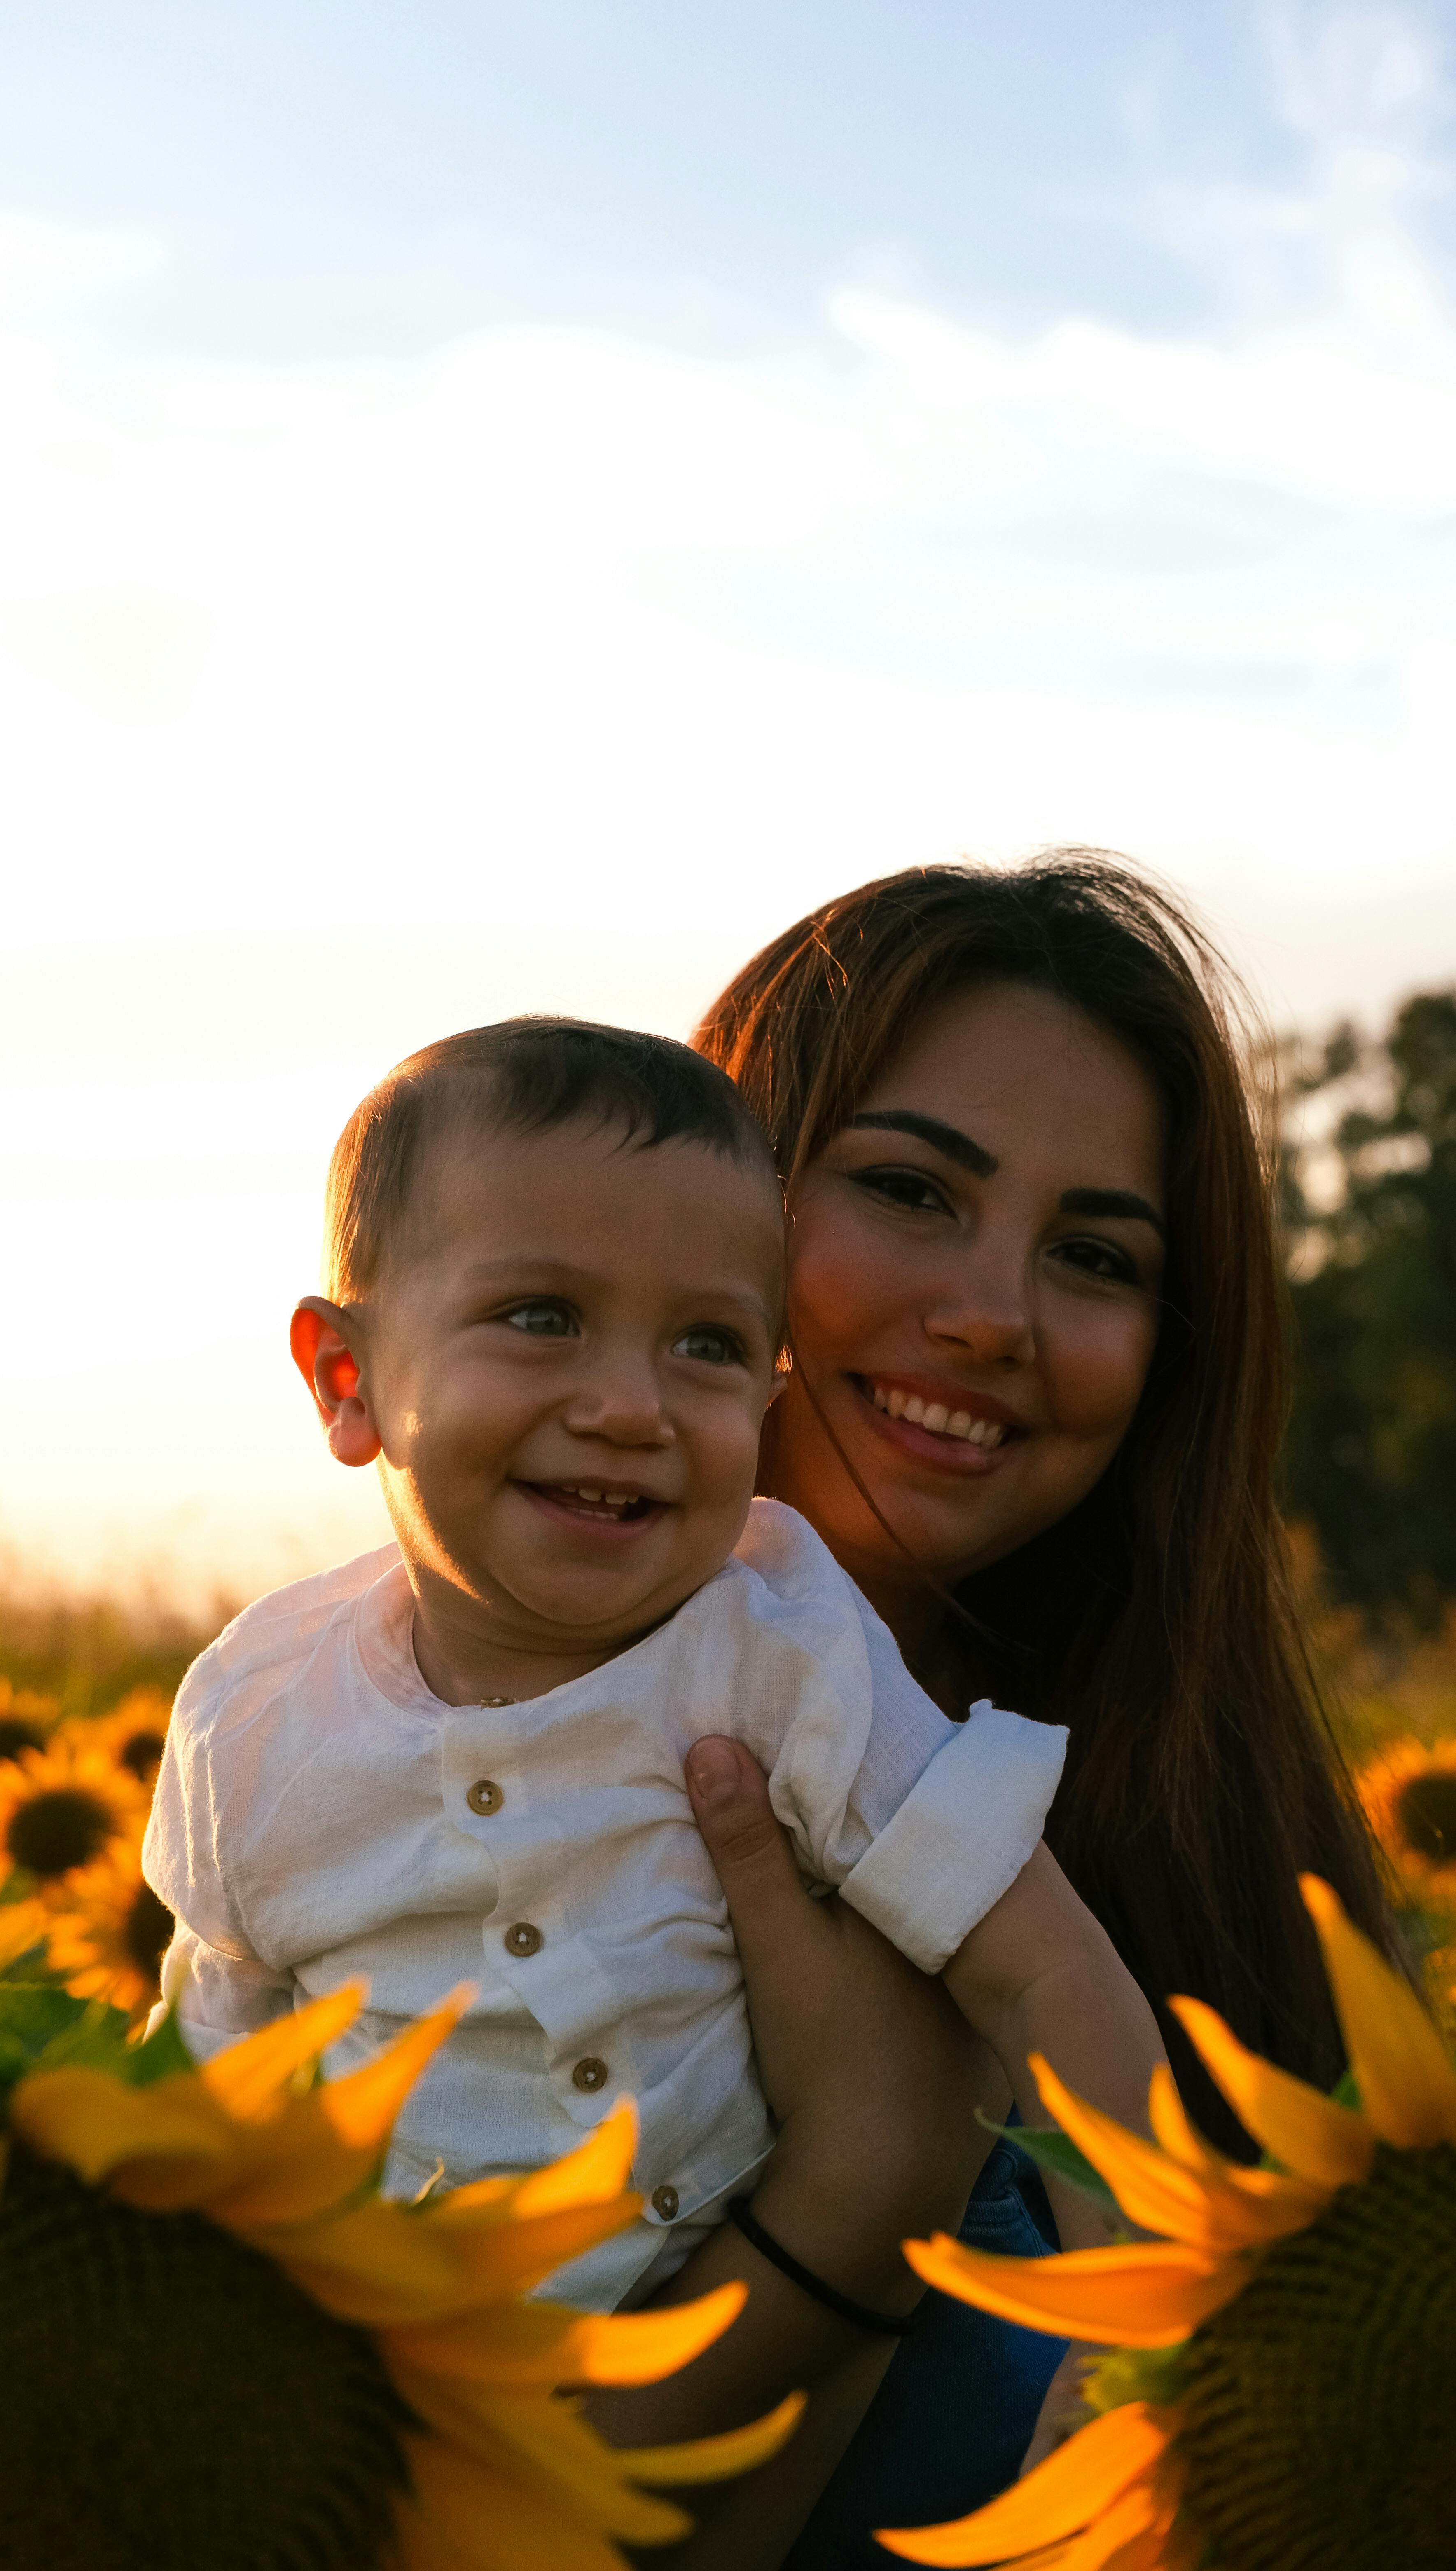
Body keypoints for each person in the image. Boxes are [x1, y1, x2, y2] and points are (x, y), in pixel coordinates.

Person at [143, 1014, 1163, 2325]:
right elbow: (216, 2089)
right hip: (421, 2399)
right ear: (349, 1379)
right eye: (542, 1318)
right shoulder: (256, 1718)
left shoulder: (781, 1651)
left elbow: (1046, 1974)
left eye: (708, 1346)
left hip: (844, 2378)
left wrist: (1135, 2328)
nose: (632, 1405)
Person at [649, 852, 1400, 2564]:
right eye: (909, 1190)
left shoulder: (1222, 1870)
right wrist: (863, 2187)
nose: (989, 1315)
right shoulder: (390, 1766)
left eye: (1092, 1255)